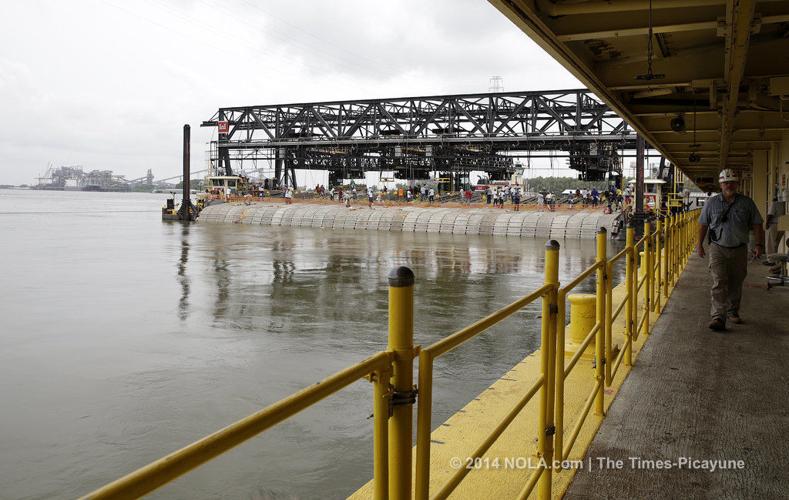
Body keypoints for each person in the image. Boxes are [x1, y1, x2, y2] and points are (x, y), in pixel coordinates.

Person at [697, 169, 764, 331]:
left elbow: (757, 224)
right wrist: (699, 244)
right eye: (726, 182)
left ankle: (733, 311)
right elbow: (703, 224)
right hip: (717, 248)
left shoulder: (747, 203)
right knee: (719, 281)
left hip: (740, 249)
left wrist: (758, 245)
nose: (729, 185)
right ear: (720, 185)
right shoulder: (711, 203)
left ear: (737, 184)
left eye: (732, 182)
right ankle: (718, 316)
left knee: (736, 281)